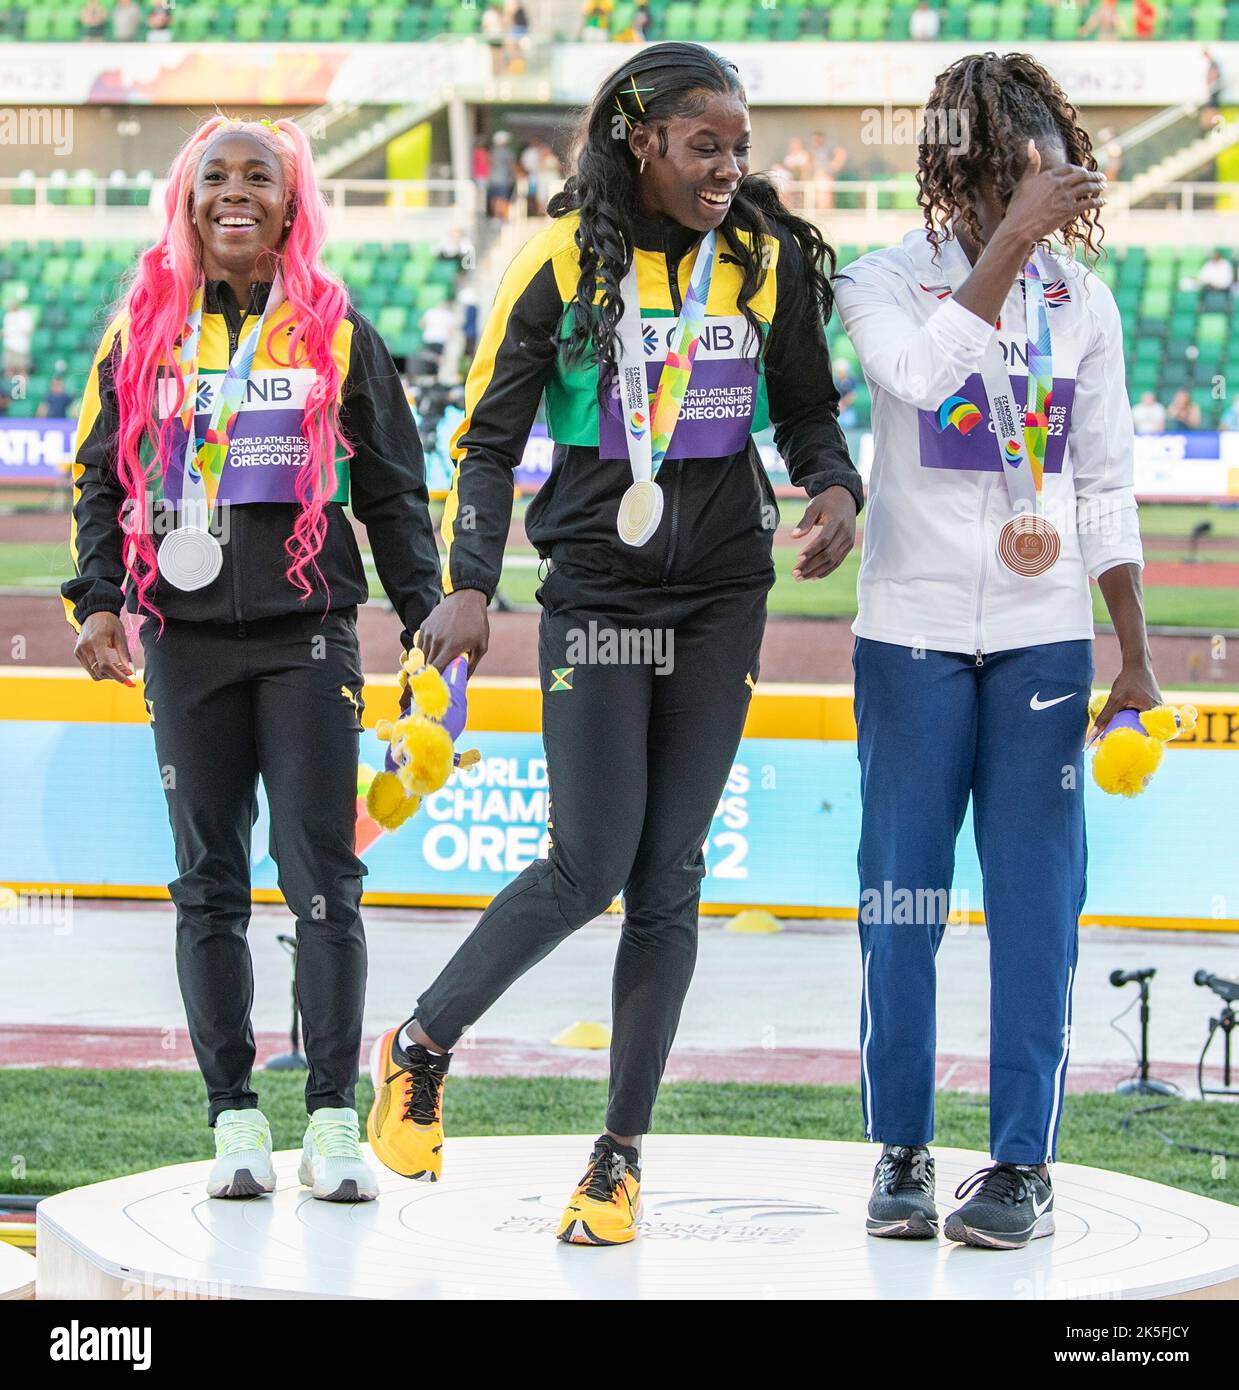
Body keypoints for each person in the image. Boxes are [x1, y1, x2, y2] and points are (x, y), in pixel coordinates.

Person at [366, 41, 861, 1246]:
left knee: (673, 874)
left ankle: (619, 1157)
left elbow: (804, 404)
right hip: (598, 594)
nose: (729, 170)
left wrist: (833, 487)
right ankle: (423, 1040)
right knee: (591, 863)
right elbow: (486, 439)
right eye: (706, 147)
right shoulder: (554, 257)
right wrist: (469, 584)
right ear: (642, 140)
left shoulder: (762, 255)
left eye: (740, 149)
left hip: (725, 591)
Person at [61, 115, 440, 1204]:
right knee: (206, 887)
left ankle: (327, 1117)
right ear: (186, 202)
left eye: (258, 178)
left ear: (288, 204)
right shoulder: (142, 327)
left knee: (324, 880)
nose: (235, 192)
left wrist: (425, 612)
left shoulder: (333, 329)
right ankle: (233, 1115)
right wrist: (96, 602)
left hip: (305, 633)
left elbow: (393, 490)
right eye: (212, 176)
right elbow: (99, 477)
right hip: (181, 643)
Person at [834, 52, 1160, 1251]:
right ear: (958, 168)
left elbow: (1107, 482)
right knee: (902, 900)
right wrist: (1008, 248)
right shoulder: (885, 280)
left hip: (1042, 643)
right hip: (910, 639)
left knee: (1036, 906)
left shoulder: (1087, 302)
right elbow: (919, 377)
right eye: (1004, 172)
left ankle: (1022, 1163)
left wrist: (1132, 652)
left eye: (1040, 169)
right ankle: (903, 1148)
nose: (1027, 191)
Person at [2, 297, 34, 379]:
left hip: (21, 347)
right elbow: (6, 330)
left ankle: (23, 389)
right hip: (9, 346)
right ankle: (8, 388)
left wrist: (17, 332)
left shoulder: (24, 315)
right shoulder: (8, 315)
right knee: (9, 369)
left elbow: (29, 331)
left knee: (21, 369)